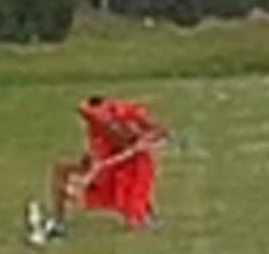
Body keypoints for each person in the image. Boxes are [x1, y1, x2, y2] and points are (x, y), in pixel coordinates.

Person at [28, 95, 168, 245]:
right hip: (111, 163)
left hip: (126, 166)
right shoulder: (97, 126)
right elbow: (98, 154)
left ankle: (147, 215)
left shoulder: (128, 115)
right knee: (61, 170)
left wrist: (145, 139)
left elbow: (156, 134)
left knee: (134, 205)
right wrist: (89, 168)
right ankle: (59, 219)